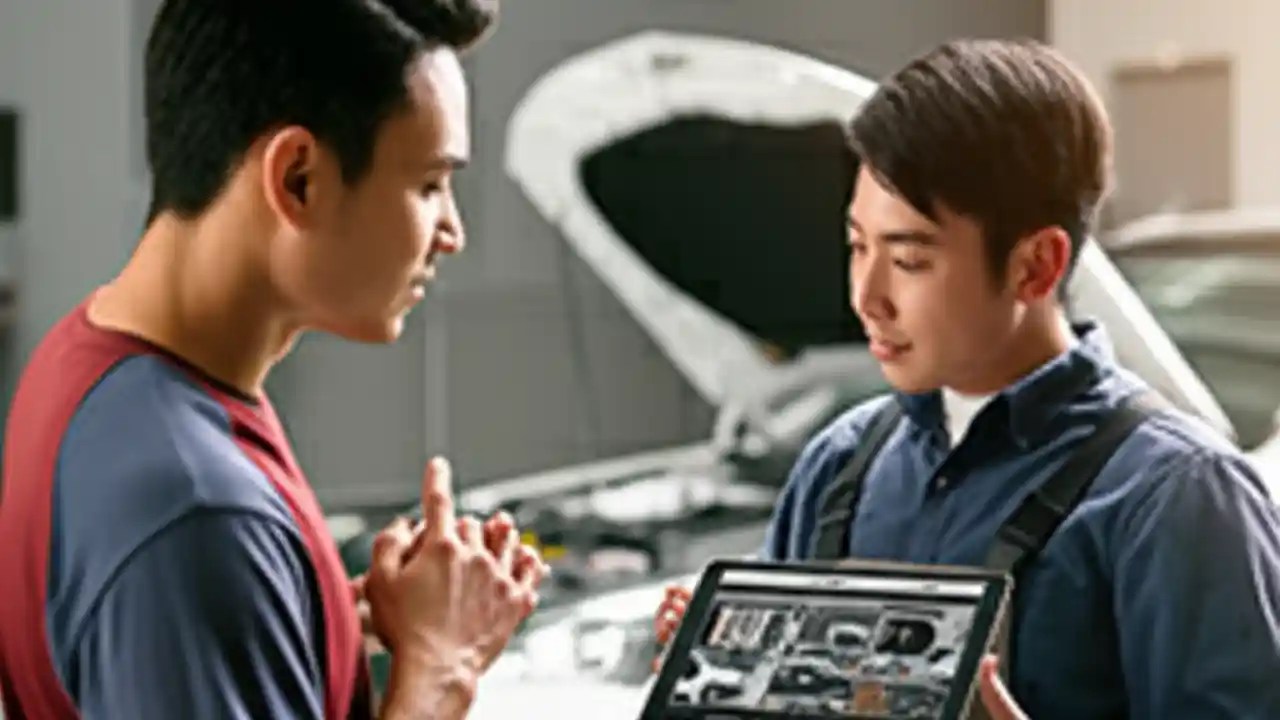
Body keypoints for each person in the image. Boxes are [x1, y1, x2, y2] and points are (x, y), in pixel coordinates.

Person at [655, 38, 1280, 719]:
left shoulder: (1179, 498)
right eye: (858, 246)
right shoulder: (838, 469)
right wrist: (717, 686)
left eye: (910, 259)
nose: (867, 296)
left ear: (1036, 266)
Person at [0, 1, 546, 718]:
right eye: (428, 185)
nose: (452, 233)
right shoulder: (199, 514)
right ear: (298, 179)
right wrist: (443, 667)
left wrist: (303, 623)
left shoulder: (88, 361)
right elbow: (190, 567)